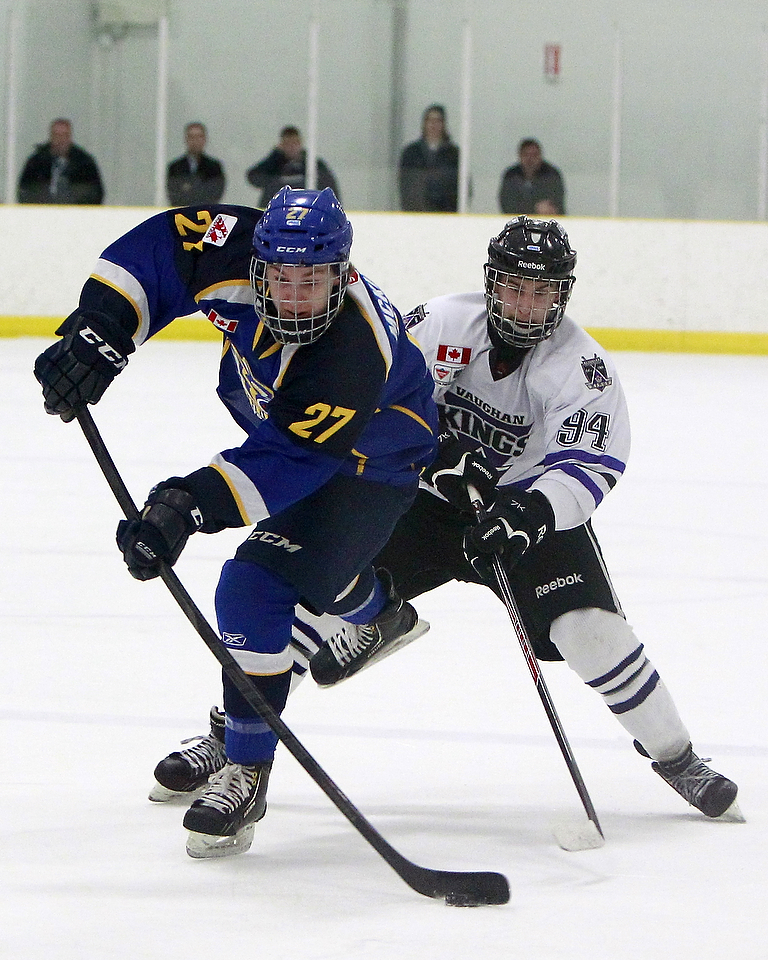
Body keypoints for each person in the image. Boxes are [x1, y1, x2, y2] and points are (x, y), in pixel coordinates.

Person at [33, 186, 438, 858]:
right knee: (315, 574)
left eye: (314, 282)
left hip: (371, 463)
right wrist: (101, 330)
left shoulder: (350, 351)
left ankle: (245, 761)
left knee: (255, 588)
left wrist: (184, 505)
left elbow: (283, 464)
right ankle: (375, 609)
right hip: (285, 424)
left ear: (343, 275)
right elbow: (163, 248)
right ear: (259, 264)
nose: (296, 297)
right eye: (282, 279)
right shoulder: (233, 242)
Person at [311, 216, 741, 824]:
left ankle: (678, 758)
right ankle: (234, 734)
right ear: (492, 283)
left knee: (590, 631)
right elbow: (372, 402)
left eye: (541, 291)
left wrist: (531, 513)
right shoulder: (437, 323)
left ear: (562, 294)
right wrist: (433, 453)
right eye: (514, 286)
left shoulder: (581, 367)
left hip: (524, 518)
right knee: (317, 588)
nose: (526, 304)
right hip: (422, 508)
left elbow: (591, 464)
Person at [17, 118, 104, 205]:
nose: (60, 140)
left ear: (70, 137)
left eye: (65, 135)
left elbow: (95, 193)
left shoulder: (84, 163)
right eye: (56, 135)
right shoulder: (36, 162)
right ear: (51, 137)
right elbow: (25, 191)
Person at [246, 126, 340, 206]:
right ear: (281, 145)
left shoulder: (313, 164)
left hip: (306, 209)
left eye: (294, 143)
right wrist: (274, 156)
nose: (291, 147)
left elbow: (329, 186)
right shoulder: (274, 164)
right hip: (276, 209)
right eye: (287, 144)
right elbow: (254, 178)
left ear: (300, 144)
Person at [398, 104, 460, 212]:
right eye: (430, 120)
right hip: (417, 215)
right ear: (424, 124)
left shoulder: (453, 154)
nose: (433, 125)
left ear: (444, 124)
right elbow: (405, 186)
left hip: (446, 217)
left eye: (438, 121)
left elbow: (461, 186)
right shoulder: (411, 153)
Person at [498, 139, 565, 216]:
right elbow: (507, 204)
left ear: (540, 156)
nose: (530, 159)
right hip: (517, 223)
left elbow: (556, 202)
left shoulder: (551, 175)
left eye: (534, 155)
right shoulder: (511, 176)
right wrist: (534, 208)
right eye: (526, 155)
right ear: (520, 156)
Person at [166, 122, 225, 206]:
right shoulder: (175, 168)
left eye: (199, 137)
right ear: (186, 140)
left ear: (204, 139)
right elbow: (174, 194)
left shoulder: (214, 167)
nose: (195, 141)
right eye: (191, 137)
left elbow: (215, 193)